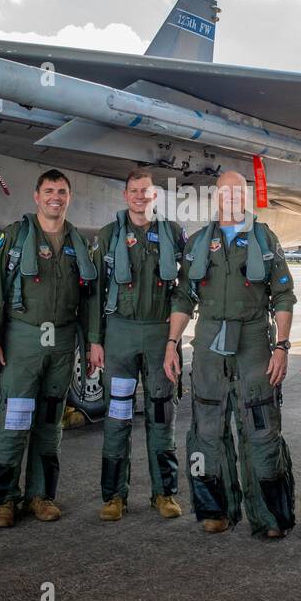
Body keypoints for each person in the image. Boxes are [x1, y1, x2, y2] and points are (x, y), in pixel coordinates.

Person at [165, 170, 296, 539]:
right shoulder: (197, 243)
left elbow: (283, 295)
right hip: (208, 342)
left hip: (253, 340)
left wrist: (282, 346)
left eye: (239, 192)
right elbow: (183, 297)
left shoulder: (263, 238)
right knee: (207, 428)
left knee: (260, 427)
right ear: (216, 197)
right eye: (226, 193)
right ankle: (215, 510)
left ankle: (269, 517)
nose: (232, 199)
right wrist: (171, 344)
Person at [0, 169, 101, 526]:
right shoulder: (14, 237)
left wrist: (92, 342)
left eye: (62, 192)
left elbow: (89, 300)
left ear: (69, 198)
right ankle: (3, 500)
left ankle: (41, 495)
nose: (56, 197)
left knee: (50, 423)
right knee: (14, 422)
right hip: (23, 342)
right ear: (36, 196)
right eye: (49, 191)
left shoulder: (78, 243)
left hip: (62, 345)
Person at [93, 170, 187, 522]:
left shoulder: (173, 234)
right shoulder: (108, 235)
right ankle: (114, 497)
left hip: (160, 336)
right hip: (119, 336)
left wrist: (175, 335)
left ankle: (163, 494)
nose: (139, 197)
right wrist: (94, 340)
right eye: (133, 191)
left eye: (145, 191)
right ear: (125, 195)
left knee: (162, 416)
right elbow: (94, 293)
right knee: (117, 417)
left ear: (155, 196)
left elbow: (185, 286)